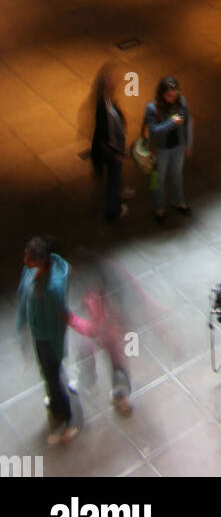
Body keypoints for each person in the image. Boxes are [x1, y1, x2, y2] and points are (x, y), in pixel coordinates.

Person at [16, 236, 79, 445]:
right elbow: (23, 296)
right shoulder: (31, 271)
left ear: (41, 260)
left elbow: (58, 322)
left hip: (48, 338)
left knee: (52, 376)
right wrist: (23, 322)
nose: (25, 261)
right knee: (49, 373)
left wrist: (56, 349)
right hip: (39, 333)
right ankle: (56, 402)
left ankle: (65, 417)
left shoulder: (52, 289)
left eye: (29, 257)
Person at [67, 258, 132, 416]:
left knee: (87, 353)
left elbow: (94, 329)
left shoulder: (97, 298)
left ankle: (91, 384)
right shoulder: (108, 290)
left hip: (106, 334)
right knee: (116, 364)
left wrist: (70, 319)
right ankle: (116, 392)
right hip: (112, 334)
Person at [145, 76, 193, 222]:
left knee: (176, 175)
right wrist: (171, 122)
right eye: (169, 96)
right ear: (162, 94)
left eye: (175, 95)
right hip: (160, 149)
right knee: (156, 180)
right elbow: (154, 130)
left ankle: (178, 201)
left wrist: (188, 145)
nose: (172, 98)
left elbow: (187, 122)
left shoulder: (181, 102)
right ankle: (158, 208)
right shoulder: (152, 108)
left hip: (178, 146)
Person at [90, 65, 134, 221]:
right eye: (112, 79)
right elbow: (104, 135)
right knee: (113, 179)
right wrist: (116, 154)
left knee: (116, 176)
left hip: (114, 148)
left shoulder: (106, 100)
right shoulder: (104, 107)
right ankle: (114, 210)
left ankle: (120, 191)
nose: (116, 81)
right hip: (111, 151)